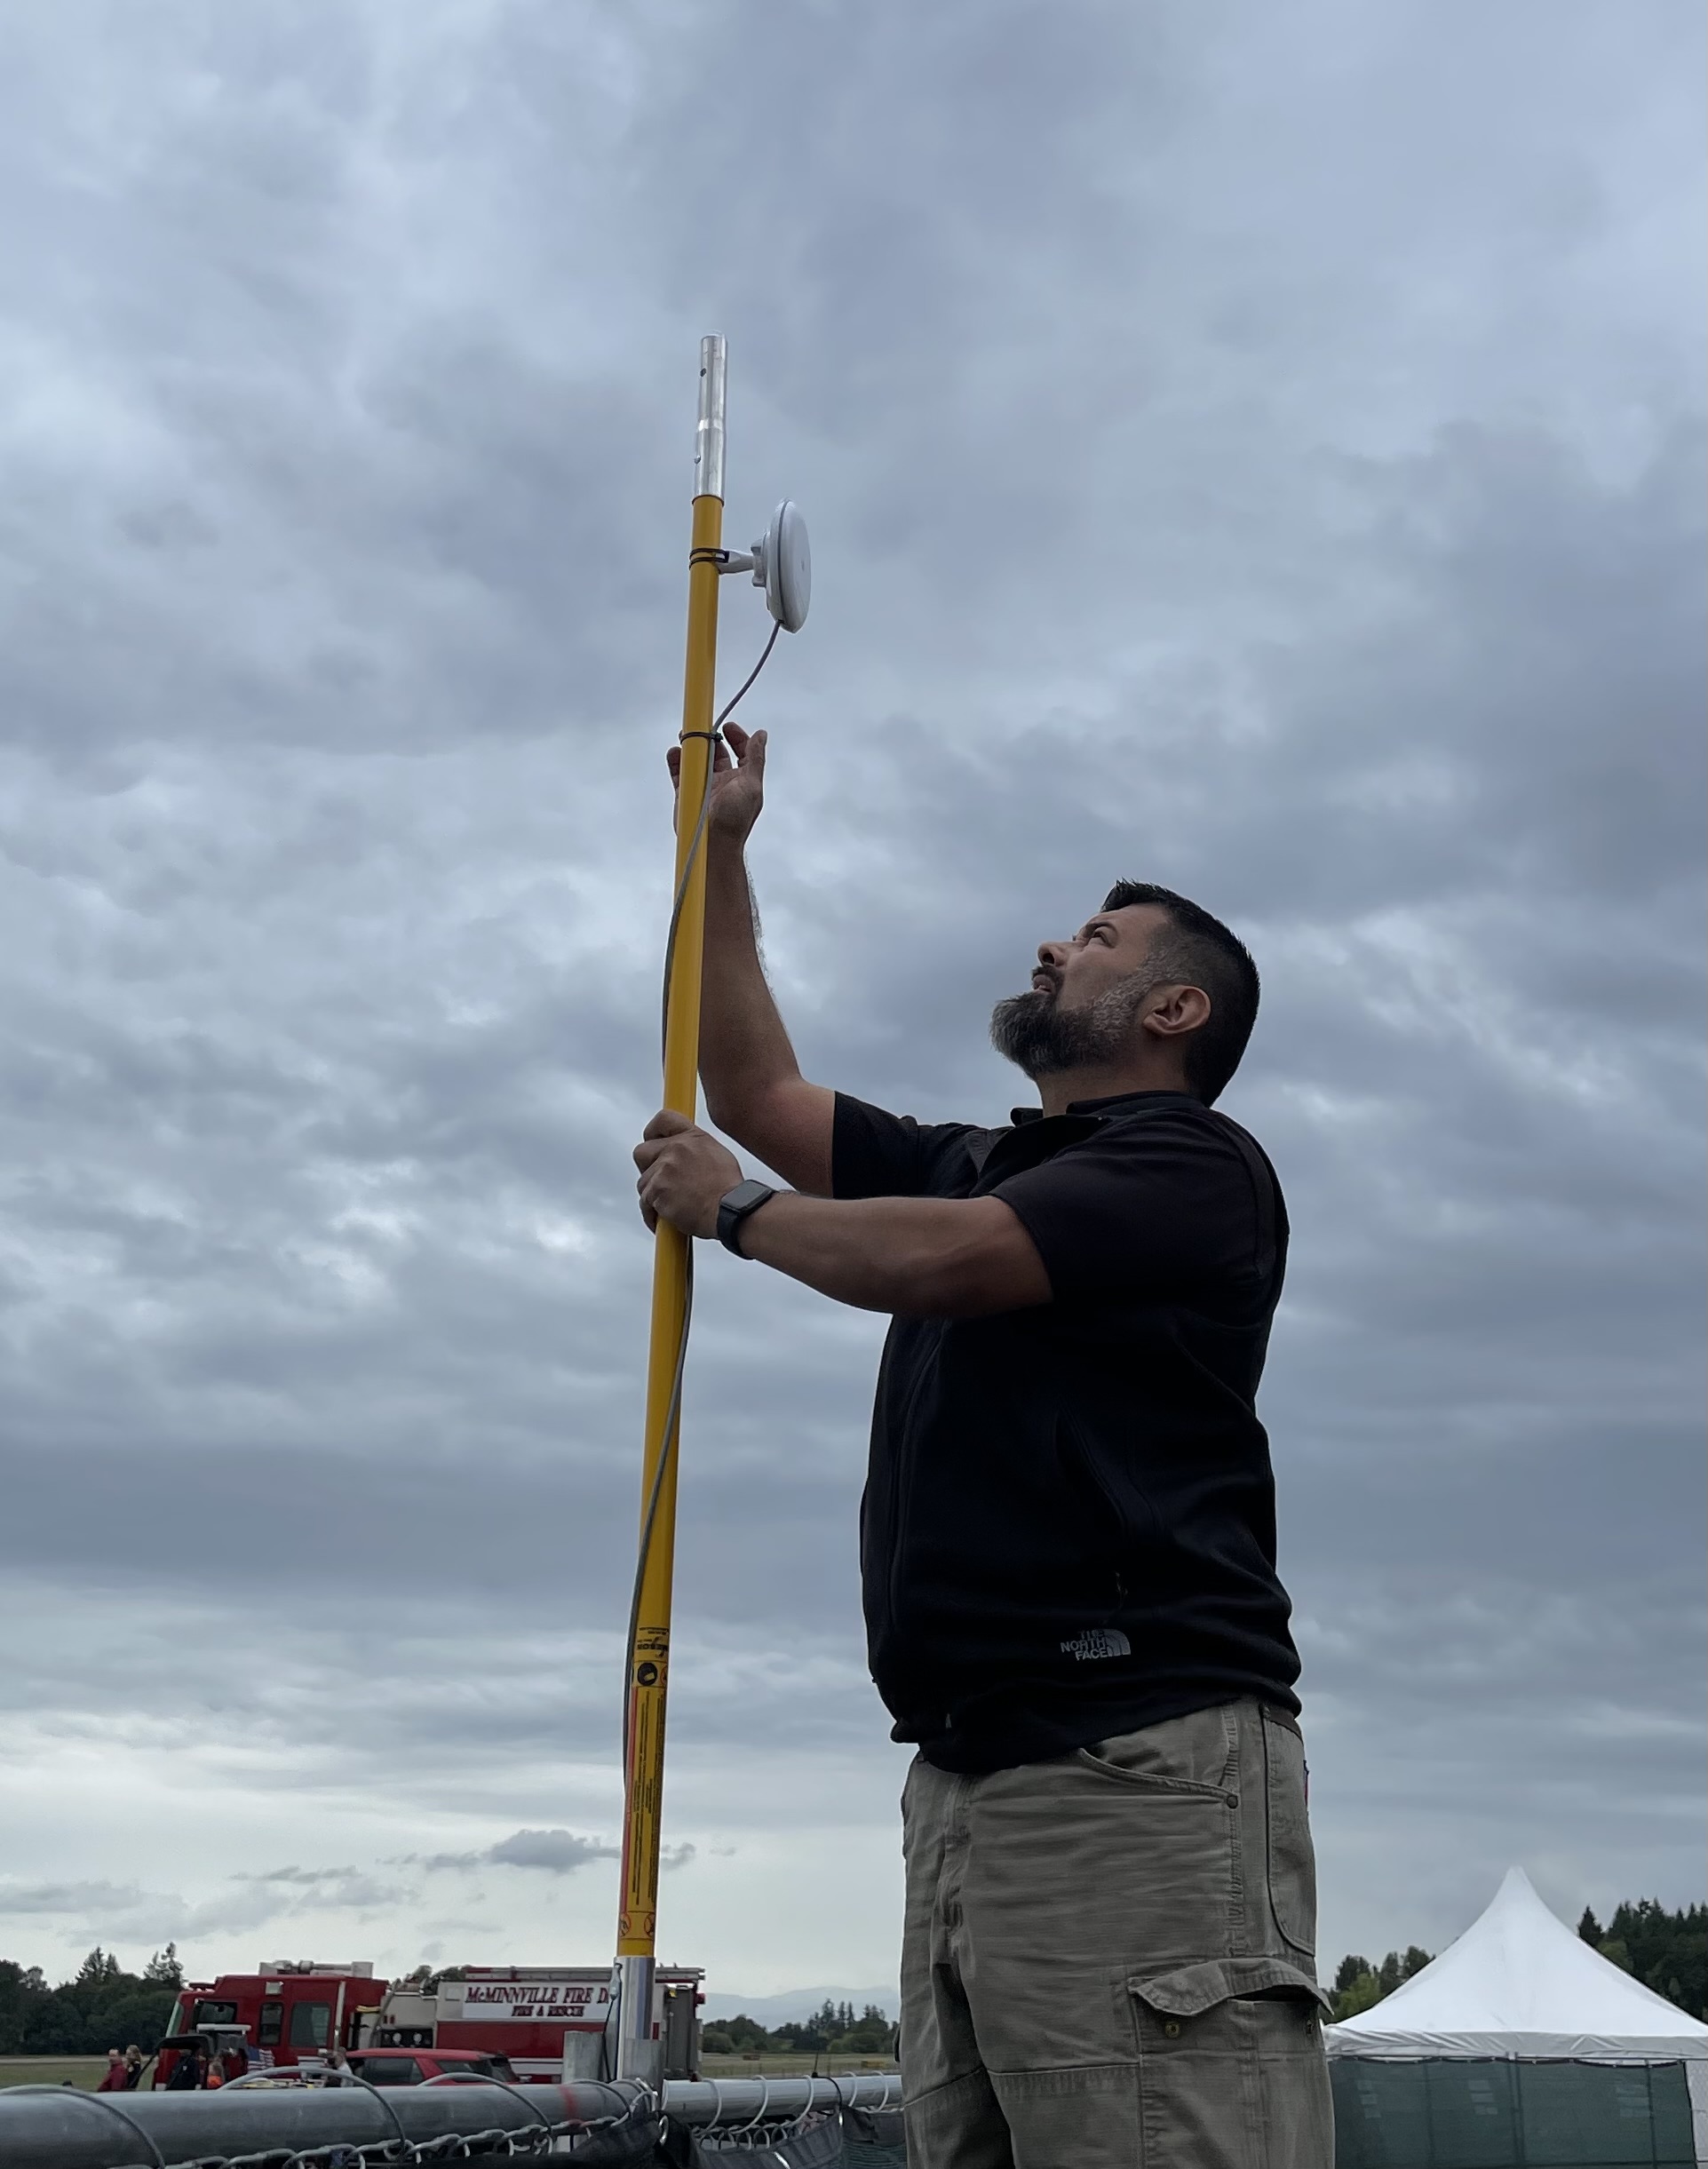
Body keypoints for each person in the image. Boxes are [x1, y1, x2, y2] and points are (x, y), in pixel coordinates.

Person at [632, 722, 1331, 2169]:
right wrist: (719, 849)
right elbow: (757, 1095)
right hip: (967, 1777)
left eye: (1097, 934)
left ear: (1175, 1007)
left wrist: (738, 1212)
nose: (1054, 944)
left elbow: (945, 1262)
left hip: (1136, 1761)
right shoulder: (982, 1154)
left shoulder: (1195, 1165)